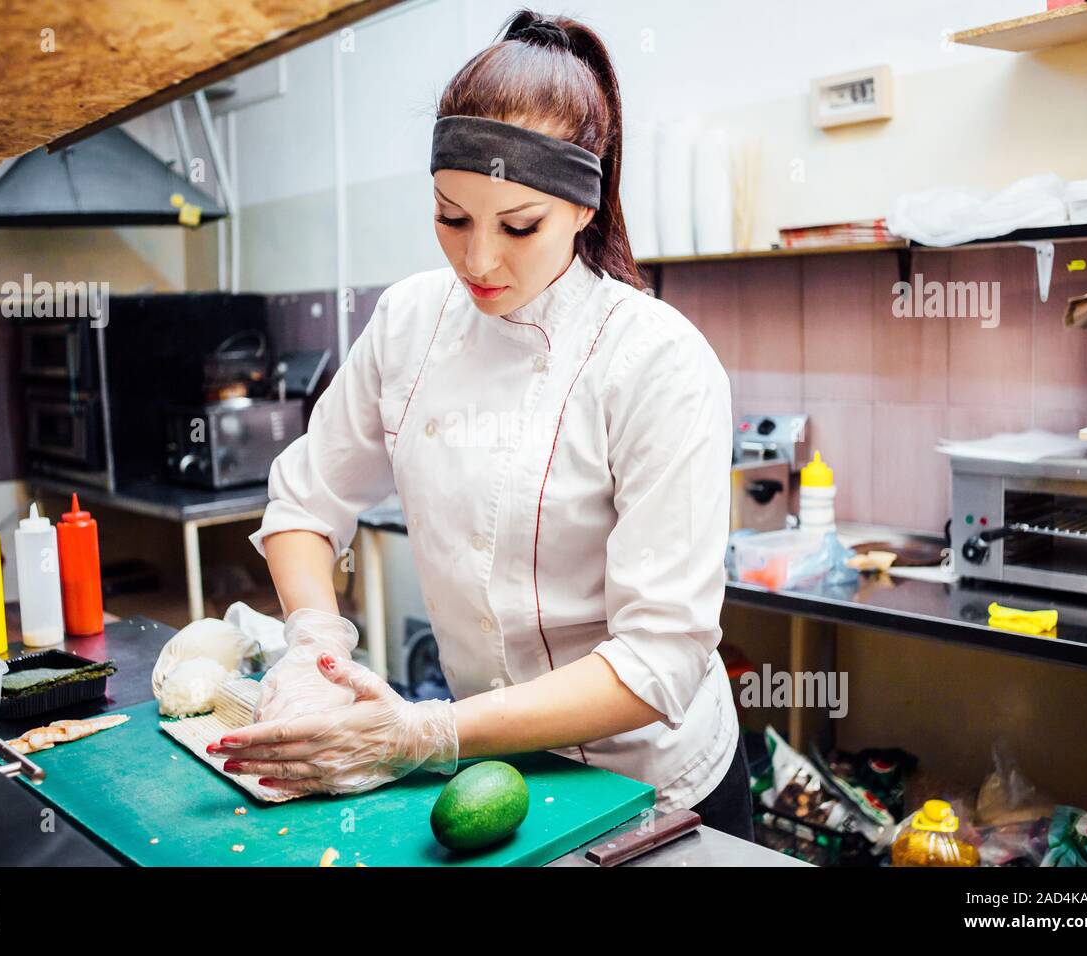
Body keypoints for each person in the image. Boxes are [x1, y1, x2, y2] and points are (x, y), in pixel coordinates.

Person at [210, 8, 753, 840]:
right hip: (489, 772)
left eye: (520, 226)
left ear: (585, 204)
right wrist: (315, 647)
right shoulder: (409, 322)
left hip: (652, 785)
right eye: (451, 217)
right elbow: (305, 504)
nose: (478, 261)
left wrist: (426, 732)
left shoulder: (656, 361)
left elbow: (657, 661)